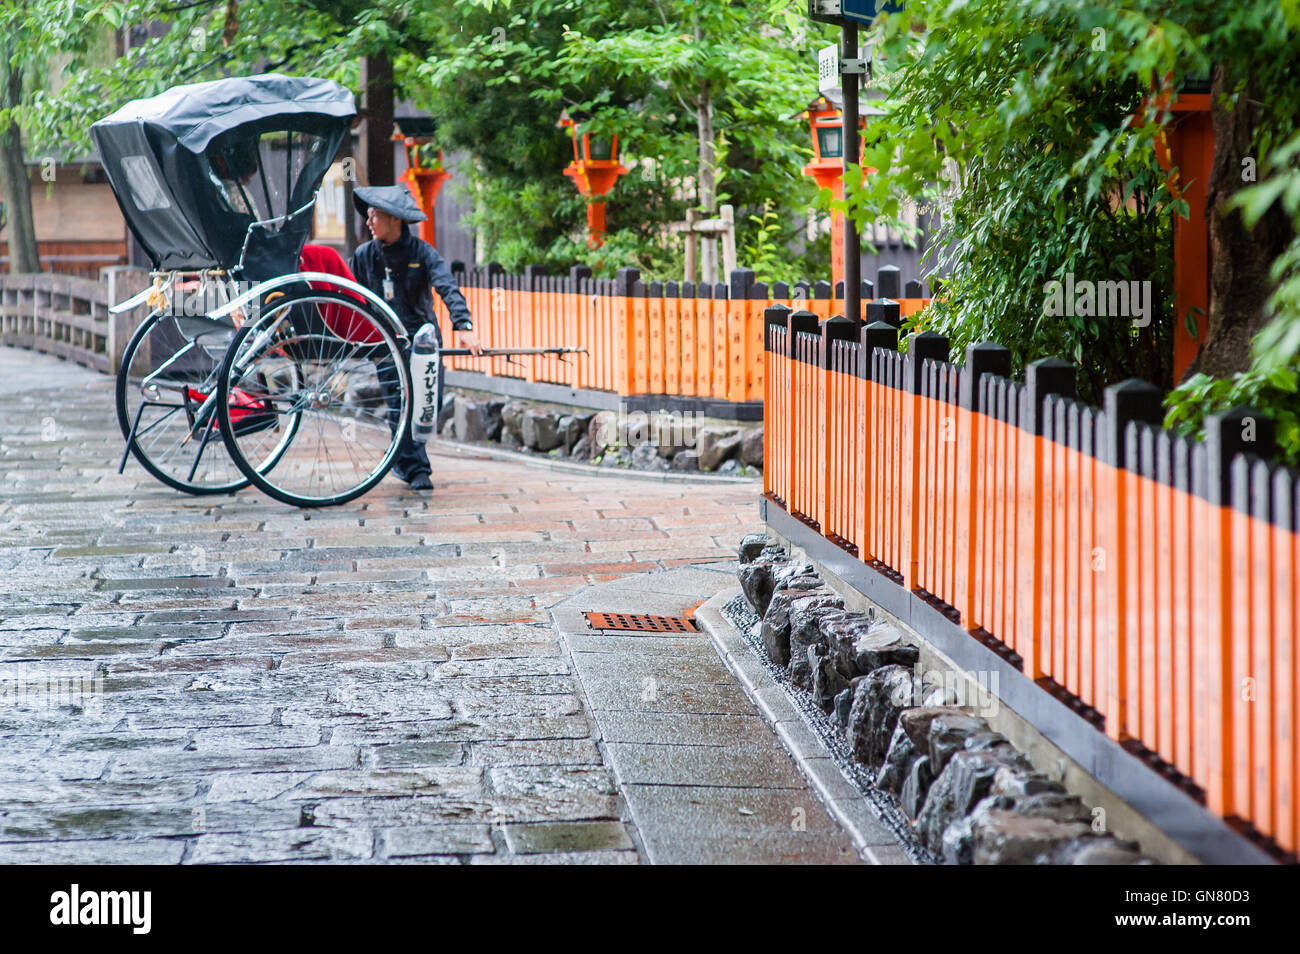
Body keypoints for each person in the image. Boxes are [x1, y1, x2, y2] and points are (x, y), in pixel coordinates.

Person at [350, 185, 481, 491]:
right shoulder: (364, 255)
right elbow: (350, 296)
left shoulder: (422, 252)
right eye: (368, 217)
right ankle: (417, 468)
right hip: (384, 342)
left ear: (395, 219)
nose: (369, 223)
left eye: (375, 216)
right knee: (399, 404)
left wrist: (464, 326)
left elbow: (447, 287)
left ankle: (402, 459)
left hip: (422, 340)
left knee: (426, 404)